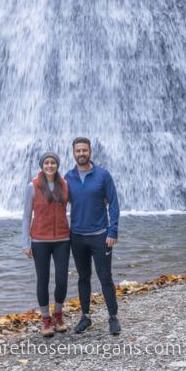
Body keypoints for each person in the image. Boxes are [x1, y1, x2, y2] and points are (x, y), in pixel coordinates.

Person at [64, 136, 121, 335]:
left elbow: (113, 203)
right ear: (73, 153)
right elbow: (58, 204)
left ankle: (113, 317)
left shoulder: (103, 175)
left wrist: (112, 231)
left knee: (105, 277)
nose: (81, 154)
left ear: (90, 152)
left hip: (100, 235)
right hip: (77, 236)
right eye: (78, 151)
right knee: (83, 278)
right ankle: (85, 317)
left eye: (84, 150)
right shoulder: (67, 177)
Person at [21, 152, 71, 337]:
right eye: (47, 163)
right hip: (40, 241)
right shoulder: (32, 186)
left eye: (53, 163)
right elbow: (26, 216)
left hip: (63, 240)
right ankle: (45, 319)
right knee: (43, 280)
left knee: (62, 280)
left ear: (57, 165)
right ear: (42, 165)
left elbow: (79, 203)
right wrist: (25, 243)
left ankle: (58, 314)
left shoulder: (65, 184)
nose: (50, 166)